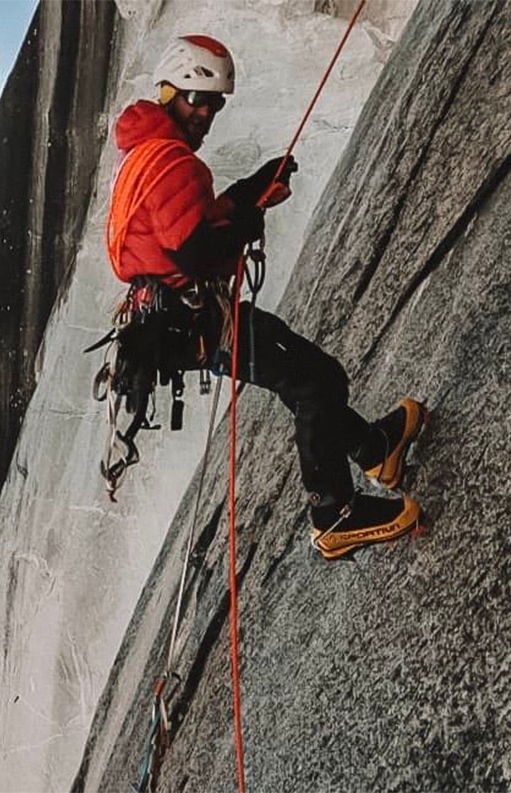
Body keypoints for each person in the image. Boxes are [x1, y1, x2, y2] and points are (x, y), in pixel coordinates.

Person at [104, 34, 426, 560]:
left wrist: (251, 190)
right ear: (171, 94)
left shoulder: (145, 155)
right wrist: (253, 214)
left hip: (173, 319)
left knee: (297, 368)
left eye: (215, 103)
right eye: (198, 99)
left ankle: (375, 449)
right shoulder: (171, 163)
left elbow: (188, 227)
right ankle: (334, 516)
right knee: (315, 380)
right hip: (189, 321)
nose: (207, 113)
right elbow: (196, 253)